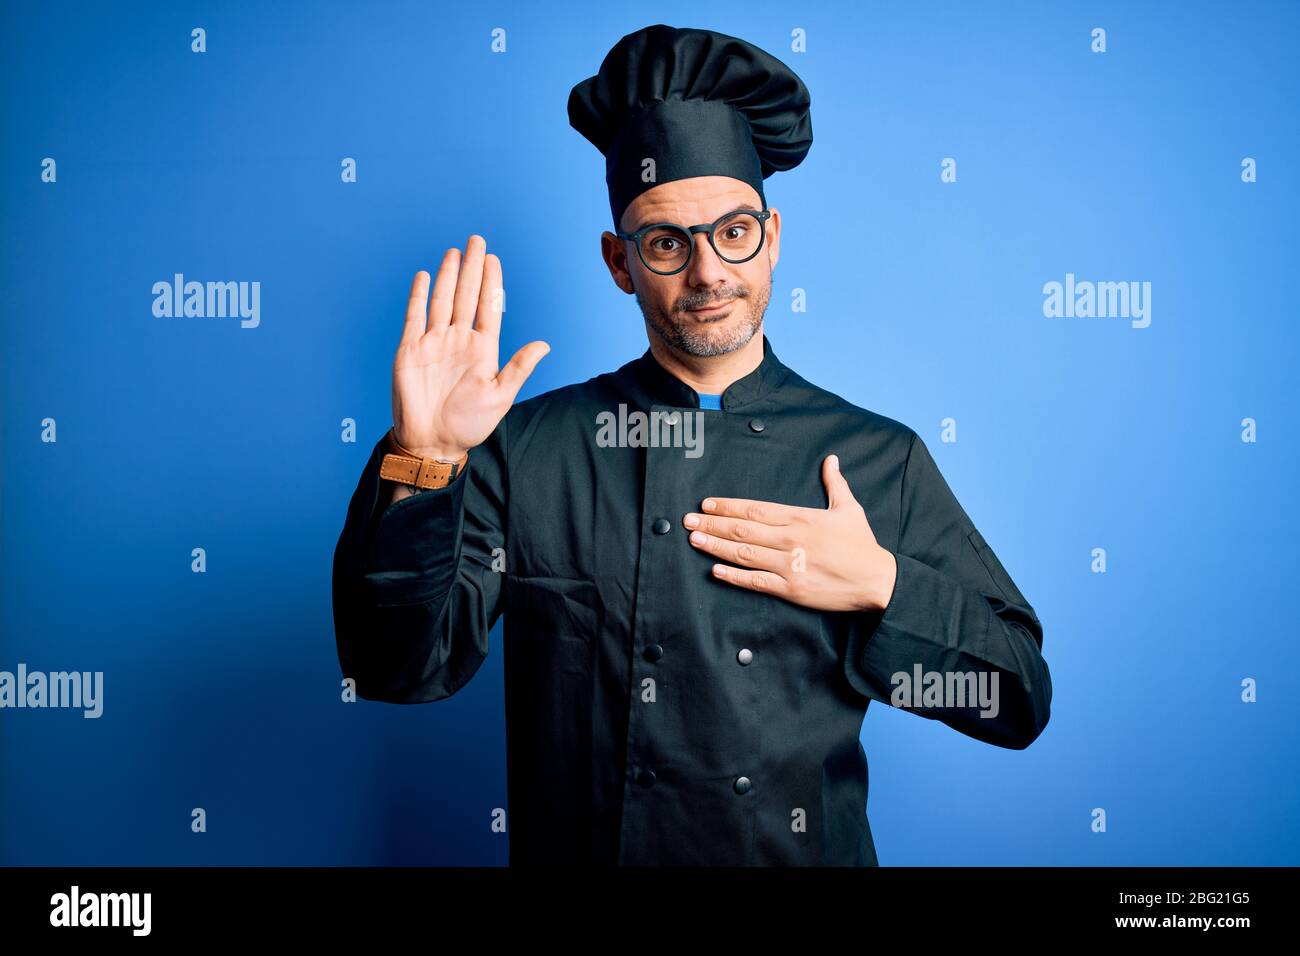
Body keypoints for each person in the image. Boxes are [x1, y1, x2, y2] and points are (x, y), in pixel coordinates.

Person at [331, 23, 1051, 866]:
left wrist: (882, 586)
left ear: (771, 237)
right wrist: (426, 459)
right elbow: (396, 670)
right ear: (619, 262)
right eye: (668, 242)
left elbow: (1016, 702)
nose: (708, 272)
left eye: (734, 232)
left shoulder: (874, 457)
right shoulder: (524, 448)